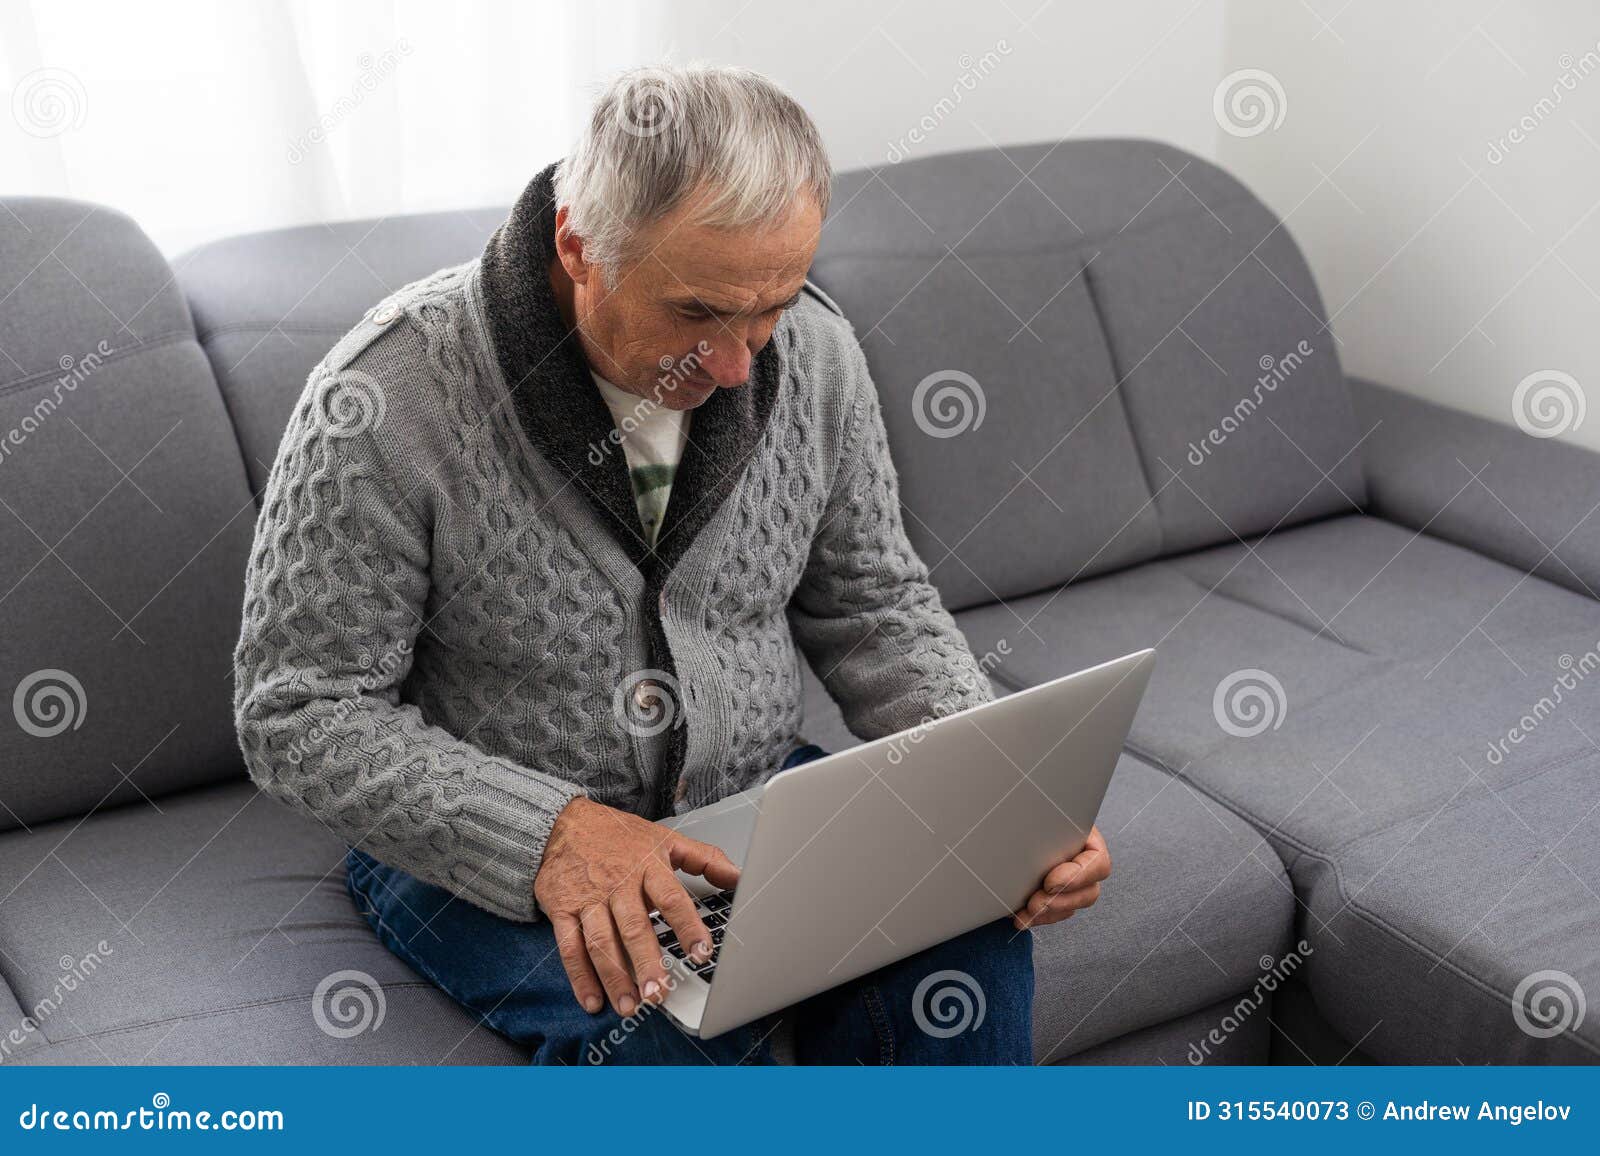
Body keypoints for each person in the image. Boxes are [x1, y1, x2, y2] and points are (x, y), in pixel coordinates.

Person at [234, 64, 1110, 1065]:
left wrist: (995, 792)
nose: (740, 364)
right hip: (480, 845)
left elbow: (873, 607)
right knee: (663, 1042)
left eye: (771, 304)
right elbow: (298, 711)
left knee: (975, 938)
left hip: (754, 806)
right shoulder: (384, 398)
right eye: (696, 312)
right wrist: (554, 832)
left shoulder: (814, 353)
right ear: (578, 246)